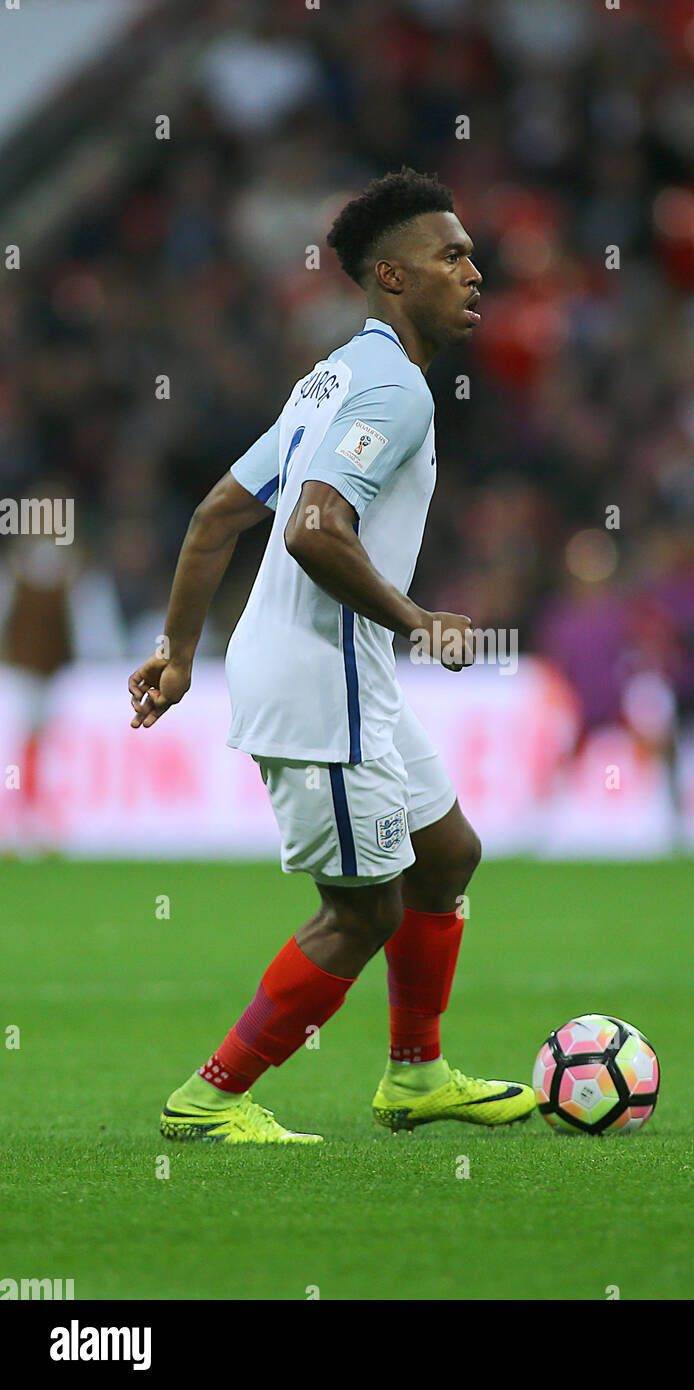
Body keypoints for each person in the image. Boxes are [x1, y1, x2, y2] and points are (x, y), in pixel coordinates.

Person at [128, 167, 535, 1143]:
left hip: (340, 670)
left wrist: (178, 653)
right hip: (325, 678)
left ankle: (416, 1077)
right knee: (361, 912)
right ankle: (212, 1095)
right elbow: (315, 529)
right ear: (392, 277)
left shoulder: (335, 376)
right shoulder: (390, 390)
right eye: (452, 255)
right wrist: (417, 618)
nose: (474, 270)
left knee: (447, 855)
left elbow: (217, 515)